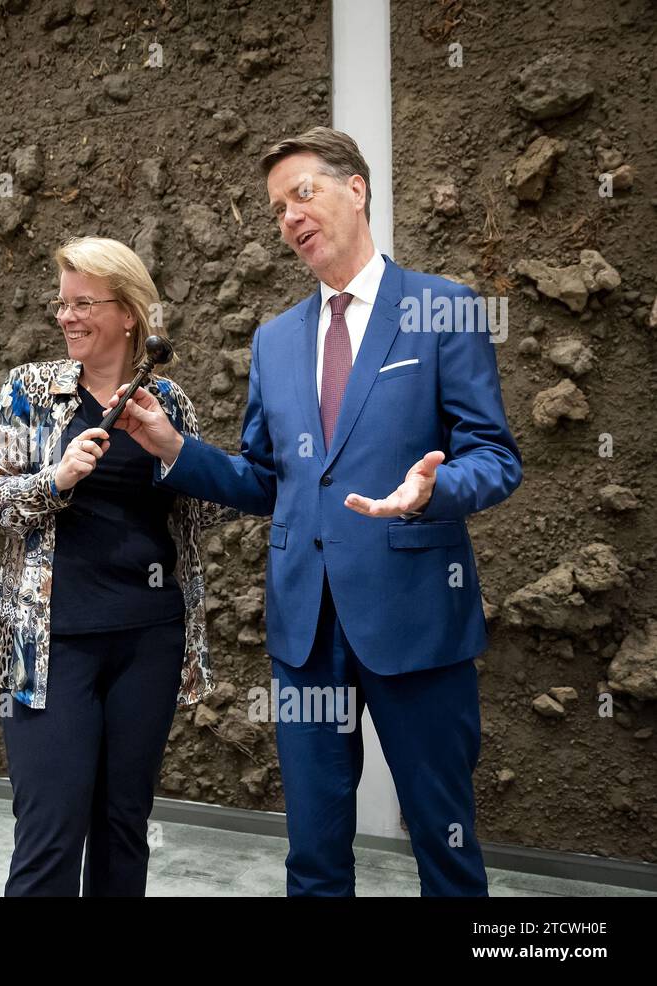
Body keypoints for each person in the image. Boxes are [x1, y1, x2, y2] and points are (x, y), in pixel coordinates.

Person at [108, 127, 522, 896]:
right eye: (276, 209)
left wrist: (434, 492)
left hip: (416, 619)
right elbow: (270, 481)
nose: (290, 217)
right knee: (314, 852)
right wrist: (173, 448)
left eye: (303, 194)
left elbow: (496, 458)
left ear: (355, 188)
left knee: (444, 838)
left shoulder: (444, 309)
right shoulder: (275, 339)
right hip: (306, 631)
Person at [0, 235, 235, 896]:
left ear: (128, 314)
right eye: (62, 304)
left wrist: (174, 451)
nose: (66, 317)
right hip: (49, 645)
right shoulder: (29, 391)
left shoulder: (166, 400)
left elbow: (204, 516)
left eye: (83, 303)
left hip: (148, 638)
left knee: (123, 827)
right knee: (50, 832)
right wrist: (54, 481)